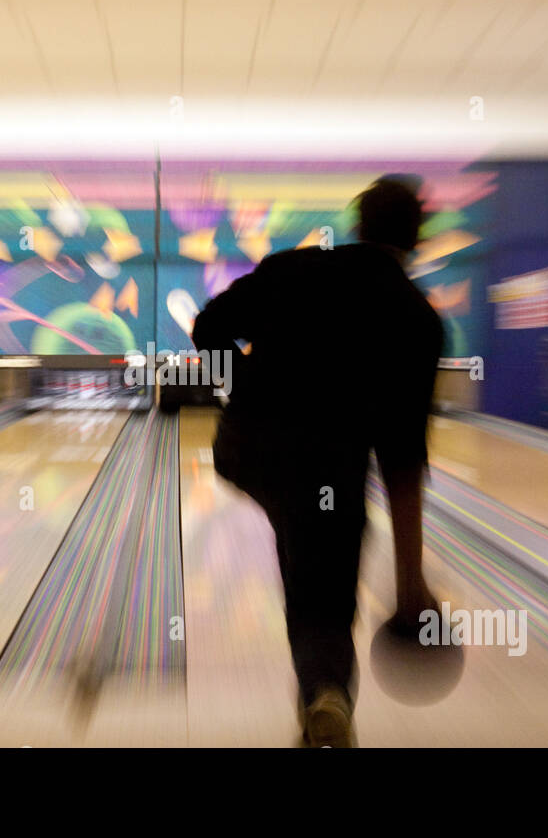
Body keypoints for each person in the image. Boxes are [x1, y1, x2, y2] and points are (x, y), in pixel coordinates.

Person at [190, 175, 444, 747]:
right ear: (416, 237)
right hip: (332, 470)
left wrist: (246, 386)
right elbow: (404, 461)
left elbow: (208, 329)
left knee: (304, 541)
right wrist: (411, 582)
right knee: (324, 576)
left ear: (358, 224)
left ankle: (323, 693)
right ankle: (325, 690)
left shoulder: (291, 270)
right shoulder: (417, 321)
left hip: (247, 448)